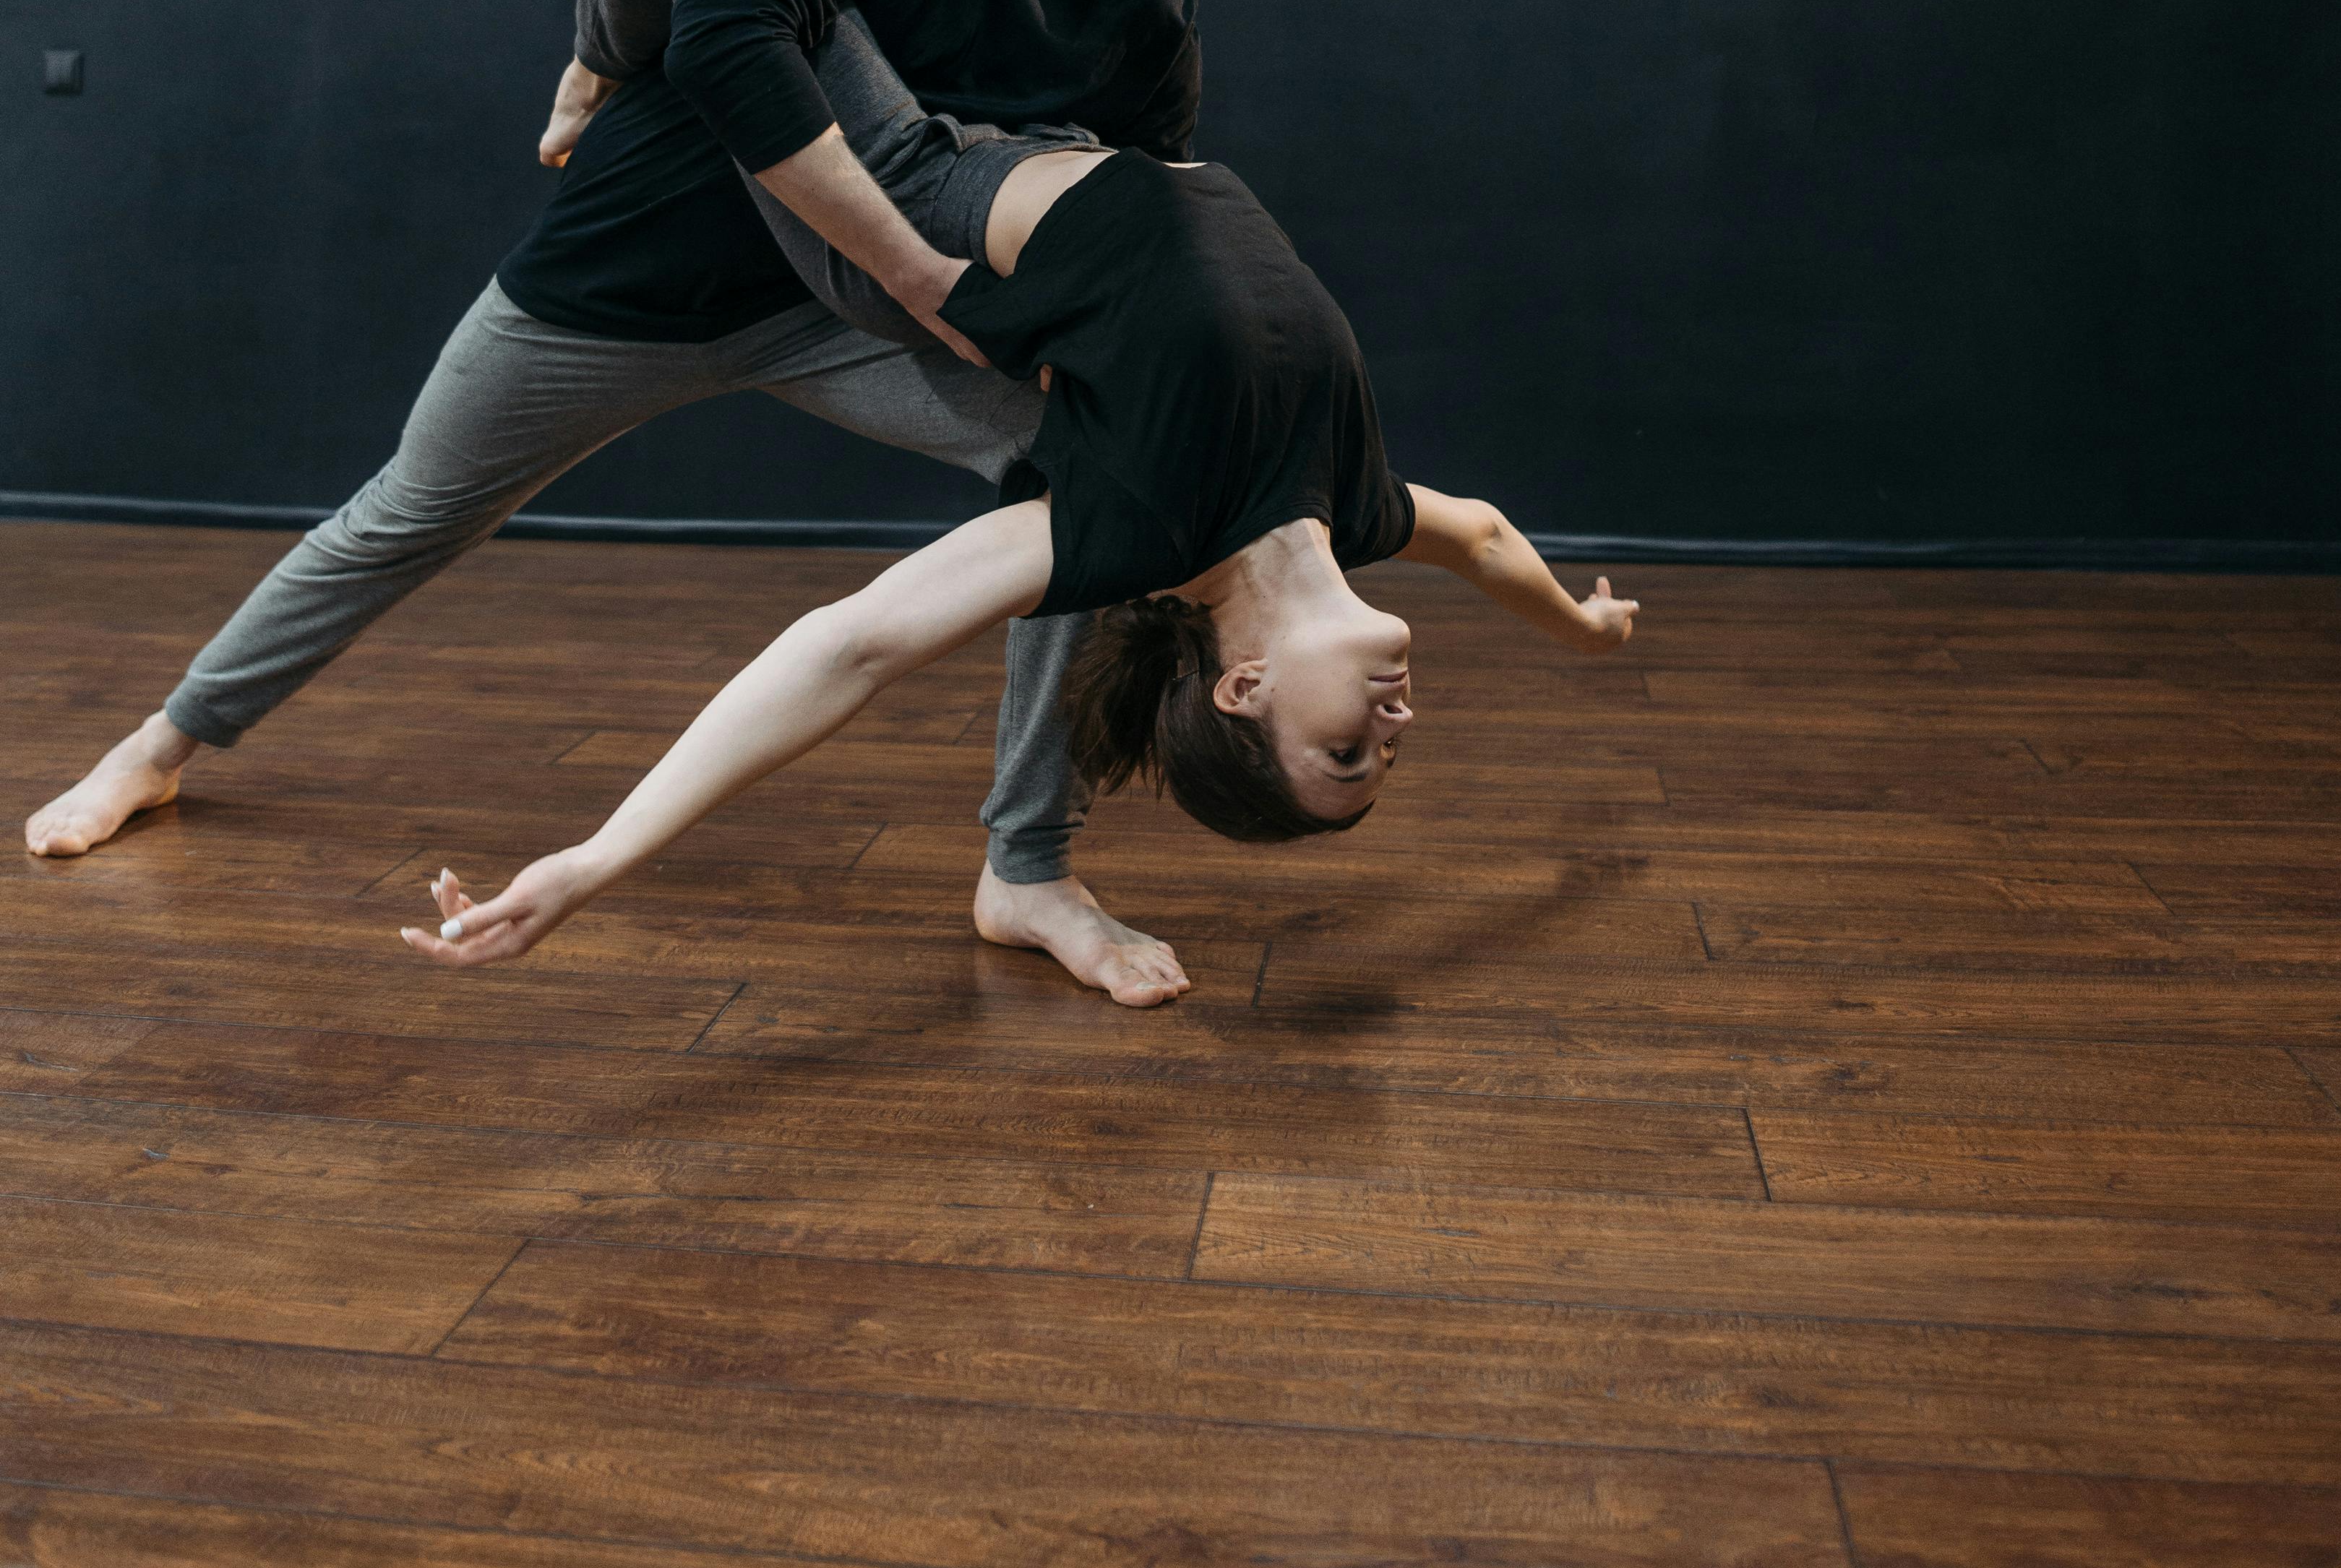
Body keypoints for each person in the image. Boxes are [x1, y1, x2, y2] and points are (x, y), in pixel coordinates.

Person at [26, 0, 1278, 1009]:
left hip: (843, 323)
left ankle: (1026, 869)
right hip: (628, 275)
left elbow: (1134, 244)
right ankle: (161, 744)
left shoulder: (1147, 22)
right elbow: (722, 9)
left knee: (1086, 467)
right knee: (403, 515)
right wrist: (628, 68)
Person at [402, 121, 1639, 971]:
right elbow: (1483, 537)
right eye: (1387, 753)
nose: (1397, 724)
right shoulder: (1353, 509)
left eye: (1347, 752)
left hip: (900, 174)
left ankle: (611, 61)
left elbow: (850, 647)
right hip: (1070, 114)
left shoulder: (1133, 534)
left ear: (1245, 687)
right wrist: (1580, 630)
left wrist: (599, 859)